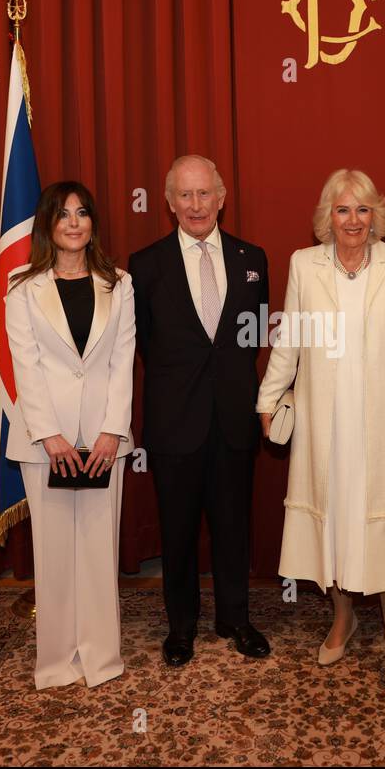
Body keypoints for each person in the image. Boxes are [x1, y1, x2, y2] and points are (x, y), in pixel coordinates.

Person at [257, 169, 385, 694]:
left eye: (362, 209)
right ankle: (343, 618)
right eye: (342, 209)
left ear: (376, 215)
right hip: (323, 424)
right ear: (327, 217)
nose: (353, 220)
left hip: (381, 423)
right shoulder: (303, 265)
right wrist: (267, 399)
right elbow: (289, 340)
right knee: (332, 524)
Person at [128, 154, 271, 667]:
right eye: (185, 195)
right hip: (174, 423)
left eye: (204, 193)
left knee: (234, 527)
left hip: (233, 419)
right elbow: (142, 344)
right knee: (179, 531)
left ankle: (235, 618)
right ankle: (181, 627)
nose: (195, 204)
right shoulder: (144, 266)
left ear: (221, 197)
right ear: (169, 203)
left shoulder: (253, 258)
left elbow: (252, 337)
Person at [4, 180, 136, 690]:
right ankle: (57, 661)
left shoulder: (119, 283)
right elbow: (26, 365)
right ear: (48, 224)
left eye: (82, 213)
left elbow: (123, 360)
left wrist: (112, 430)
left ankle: (101, 657)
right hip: (45, 443)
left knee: (100, 552)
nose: (74, 223)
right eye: (63, 214)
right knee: (54, 554)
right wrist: (50, 435)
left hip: (104, 441)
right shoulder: (22, 287)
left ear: (92, 223)